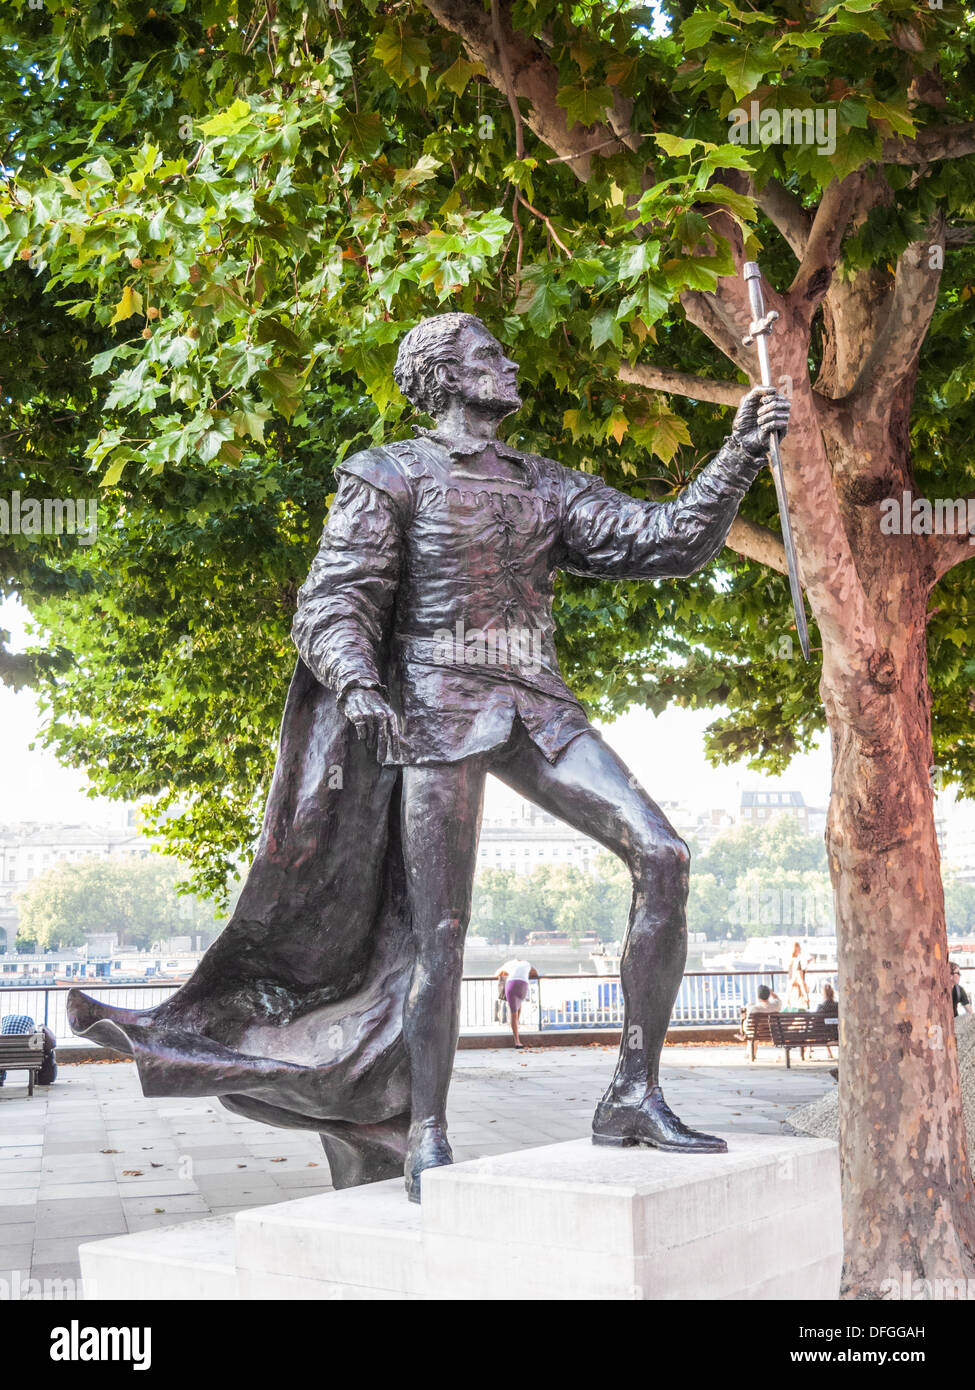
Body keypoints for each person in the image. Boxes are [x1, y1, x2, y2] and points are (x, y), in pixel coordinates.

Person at [68, 312, 791, 1203]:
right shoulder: (387, 473)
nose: (511, 360)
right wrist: (360, 685)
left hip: (537, 703)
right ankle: (428, 1133)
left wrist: (739, 452)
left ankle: (633, 1093)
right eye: (491, 354)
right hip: (432, 709)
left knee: (662, 853)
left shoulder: (544, 483)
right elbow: (333, 601)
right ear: (443, 376)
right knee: (436, 936)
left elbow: (664, 541)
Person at [0, 1013, 58, 1087]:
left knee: (3, 1054)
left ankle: (1, 1079)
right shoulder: (29, 1022)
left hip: (4, 1059)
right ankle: (36, 1079)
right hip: (28, 1059)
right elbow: (33, 1035)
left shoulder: (4, 1028)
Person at [496, 959, 539, 1048]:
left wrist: (506, 974)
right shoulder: (527, 963)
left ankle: (517, 1041)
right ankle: (516, 1025)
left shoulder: (509, 964)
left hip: (511, 984)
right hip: (523, 985)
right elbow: (535, 973)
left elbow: (498, 973)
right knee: (519, 1005)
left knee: (513, 1013)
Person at [786, 940, 810, 1009]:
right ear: (796, 948)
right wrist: (806, 996)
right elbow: (800, 979)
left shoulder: (791, 960)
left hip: (791, 989)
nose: (801, 949)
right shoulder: (796, 961)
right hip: (797, 989)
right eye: (799, 947)